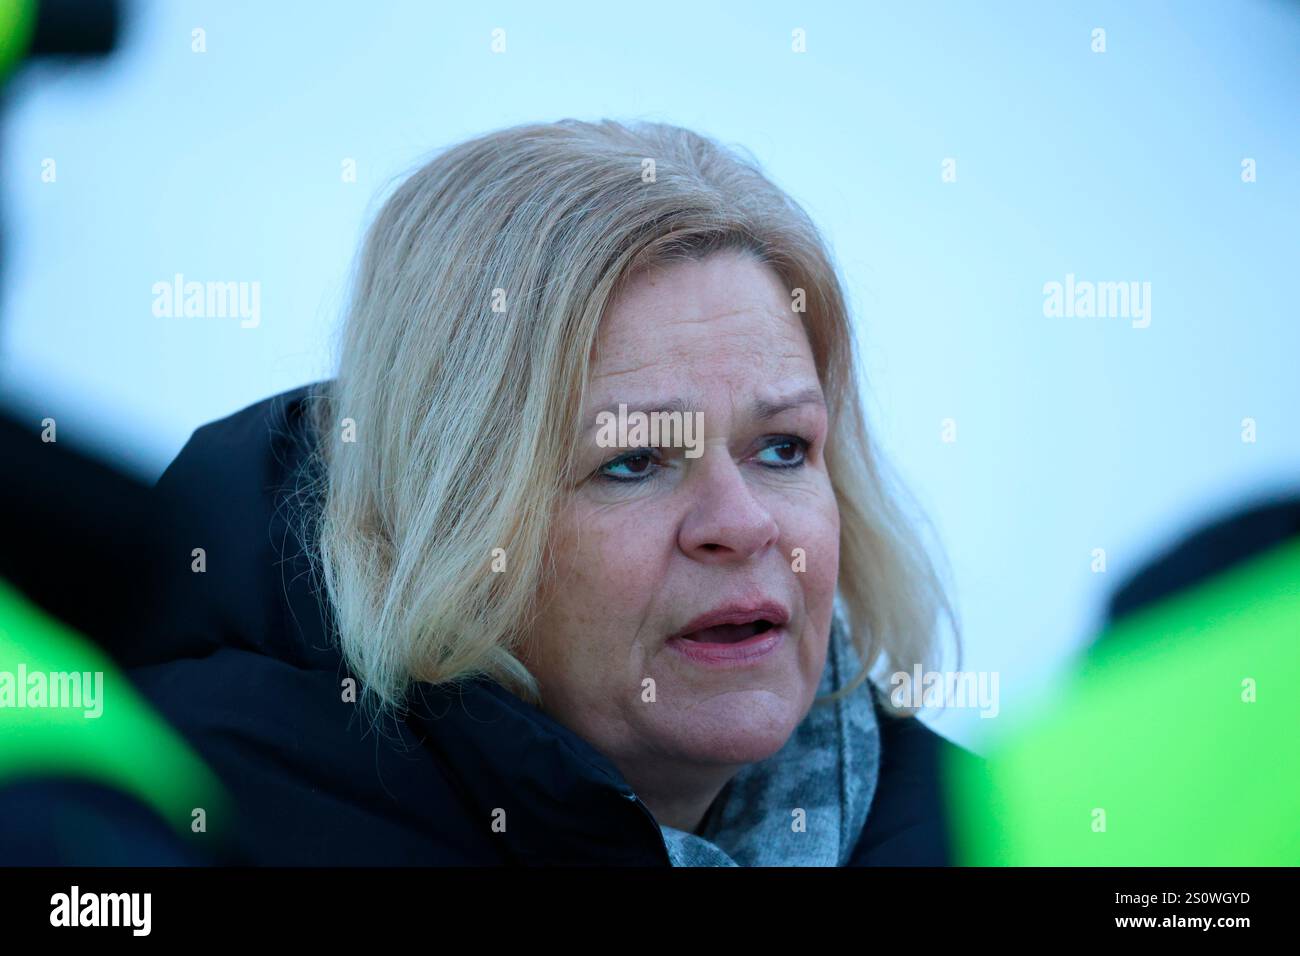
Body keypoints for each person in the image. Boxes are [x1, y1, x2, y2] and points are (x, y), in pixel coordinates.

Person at [133, 119, 975, 865]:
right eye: (634, 461)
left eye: (783, 449)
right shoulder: (166, 817)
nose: (743, 524)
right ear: (447, 512)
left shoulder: (987, 831)